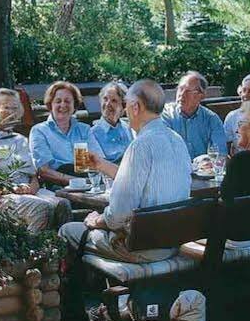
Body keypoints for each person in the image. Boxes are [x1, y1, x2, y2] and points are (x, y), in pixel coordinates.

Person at [59, 79, 192, 263]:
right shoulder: (177, 140)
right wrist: (102, 165)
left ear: (135, 107)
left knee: (67, 230)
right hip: (172, 243)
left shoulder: (140, 145)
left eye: (126, 106)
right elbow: (145, 180)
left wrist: (97, 220)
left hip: (141, 248)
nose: (126, 112)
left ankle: (83, 291)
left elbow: (117, 217)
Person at [0, 89, 69, 232]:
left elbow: (34, 177)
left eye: (15, 108)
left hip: (27, 193)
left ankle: (64, 250)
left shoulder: (21, 140)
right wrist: (9, 189)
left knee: (63, 204)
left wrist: (32, 188)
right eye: (6, 107)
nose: (11, 112)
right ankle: (34, 250)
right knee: (41, 207)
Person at [29, 81, 104, 188]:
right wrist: (77, 181)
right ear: (51, 104)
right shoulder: (39, 131)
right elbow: (44, 171)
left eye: (68, 101)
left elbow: (98, 161)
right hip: (56, 185)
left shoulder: (84, 129)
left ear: (74, 105)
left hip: (86, 181)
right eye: (58, 101)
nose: (63, 105)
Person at [161, 71, 226, 159]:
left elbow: (220, 154)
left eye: (188, 91)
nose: (182, 94)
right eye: (180, 89)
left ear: (201, 96)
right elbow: (163, 151)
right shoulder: (165, 115)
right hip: (174, 170)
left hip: (203, 171)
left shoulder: (212, 120)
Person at [89, 81, 133, 164]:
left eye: (114, 101)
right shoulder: (92, 134)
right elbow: (94, 171)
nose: (108, 104)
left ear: (123, 106)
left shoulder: (128, 128)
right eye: (105, 99)